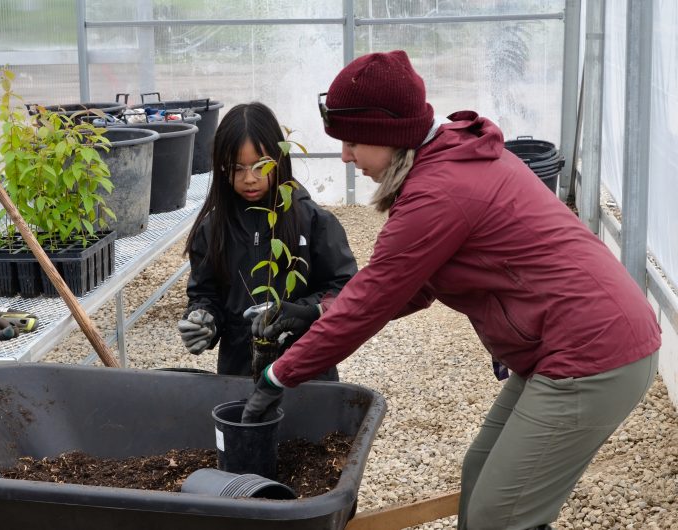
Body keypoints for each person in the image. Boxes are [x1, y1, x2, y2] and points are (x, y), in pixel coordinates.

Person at [242, 50, 661, 530]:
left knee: (497, 517)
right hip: (562, 347)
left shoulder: (439, 191)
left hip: (595, 356)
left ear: (391, 135)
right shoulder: (445, 161)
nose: (344, 155)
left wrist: (278, 377)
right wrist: (317, 312)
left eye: (353, 141)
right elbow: (411, 286)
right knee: (479, 475)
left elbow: (371, 303)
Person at [178, 102, 357, 379]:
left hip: (307, 368)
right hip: (238, 371)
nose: (249, 179)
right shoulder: (213, 229)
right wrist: (204, 320)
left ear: (279, 158)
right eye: (236, 168)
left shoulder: (312, 222)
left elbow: (345, 288)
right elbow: (206, 293)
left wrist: (301, 313)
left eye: (260, 166)